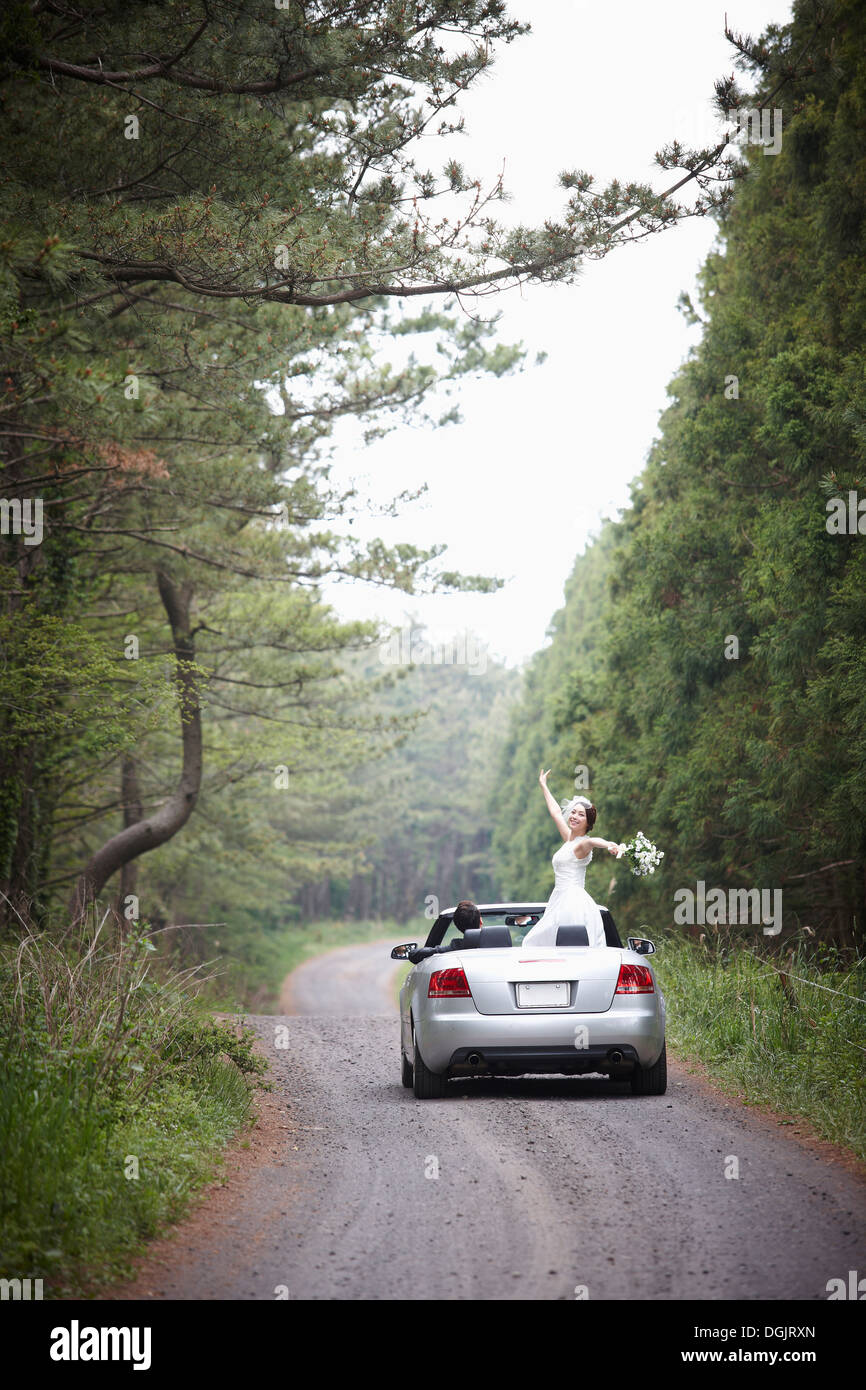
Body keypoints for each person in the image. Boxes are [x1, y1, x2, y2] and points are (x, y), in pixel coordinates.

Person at [521, 769, 625, 949]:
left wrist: (609, 844)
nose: (575, 816)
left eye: (581, 815)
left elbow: (594, 841)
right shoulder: (569, 839)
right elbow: (555, 812)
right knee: (542, 944)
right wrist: (543, 785)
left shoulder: (582, 844)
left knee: (562, 944)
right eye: (573, 812)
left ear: (588, 823)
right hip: (558, 898)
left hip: (572, 902)